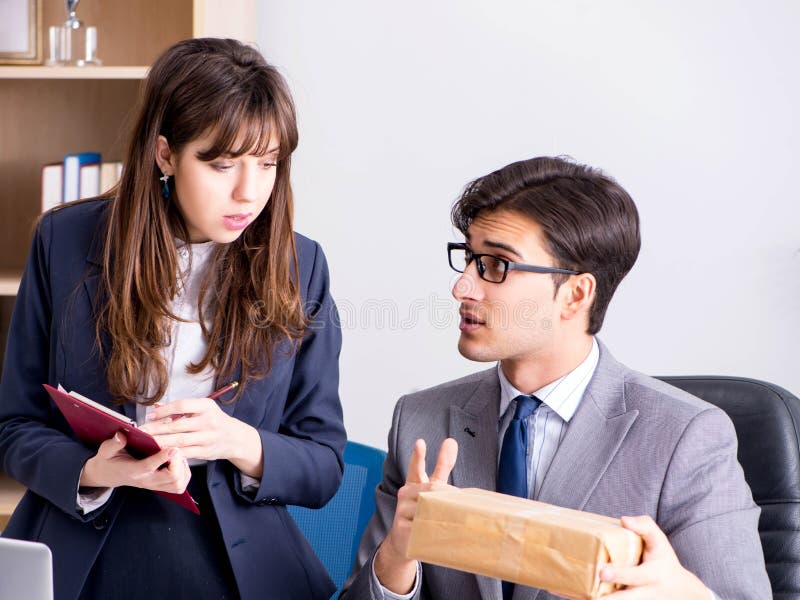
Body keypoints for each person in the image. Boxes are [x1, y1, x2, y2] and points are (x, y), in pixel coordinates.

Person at [0, 38, 345, 600]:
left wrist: (238, 440)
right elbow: (14, 427)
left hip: (235, 560)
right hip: (88, 545)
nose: (249, 192)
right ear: (165, 155)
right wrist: (94, 470)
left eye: (268, 164)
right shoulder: (63, 243)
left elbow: (324, 463)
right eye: (222, 163)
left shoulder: (300, 266)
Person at [340, 156, 771, 600]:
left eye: (495, 264)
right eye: (468, 258)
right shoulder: (421, 420)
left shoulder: (686, 437)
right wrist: (396, 559)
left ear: (575, 294)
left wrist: (686, 594)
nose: (462, 287)